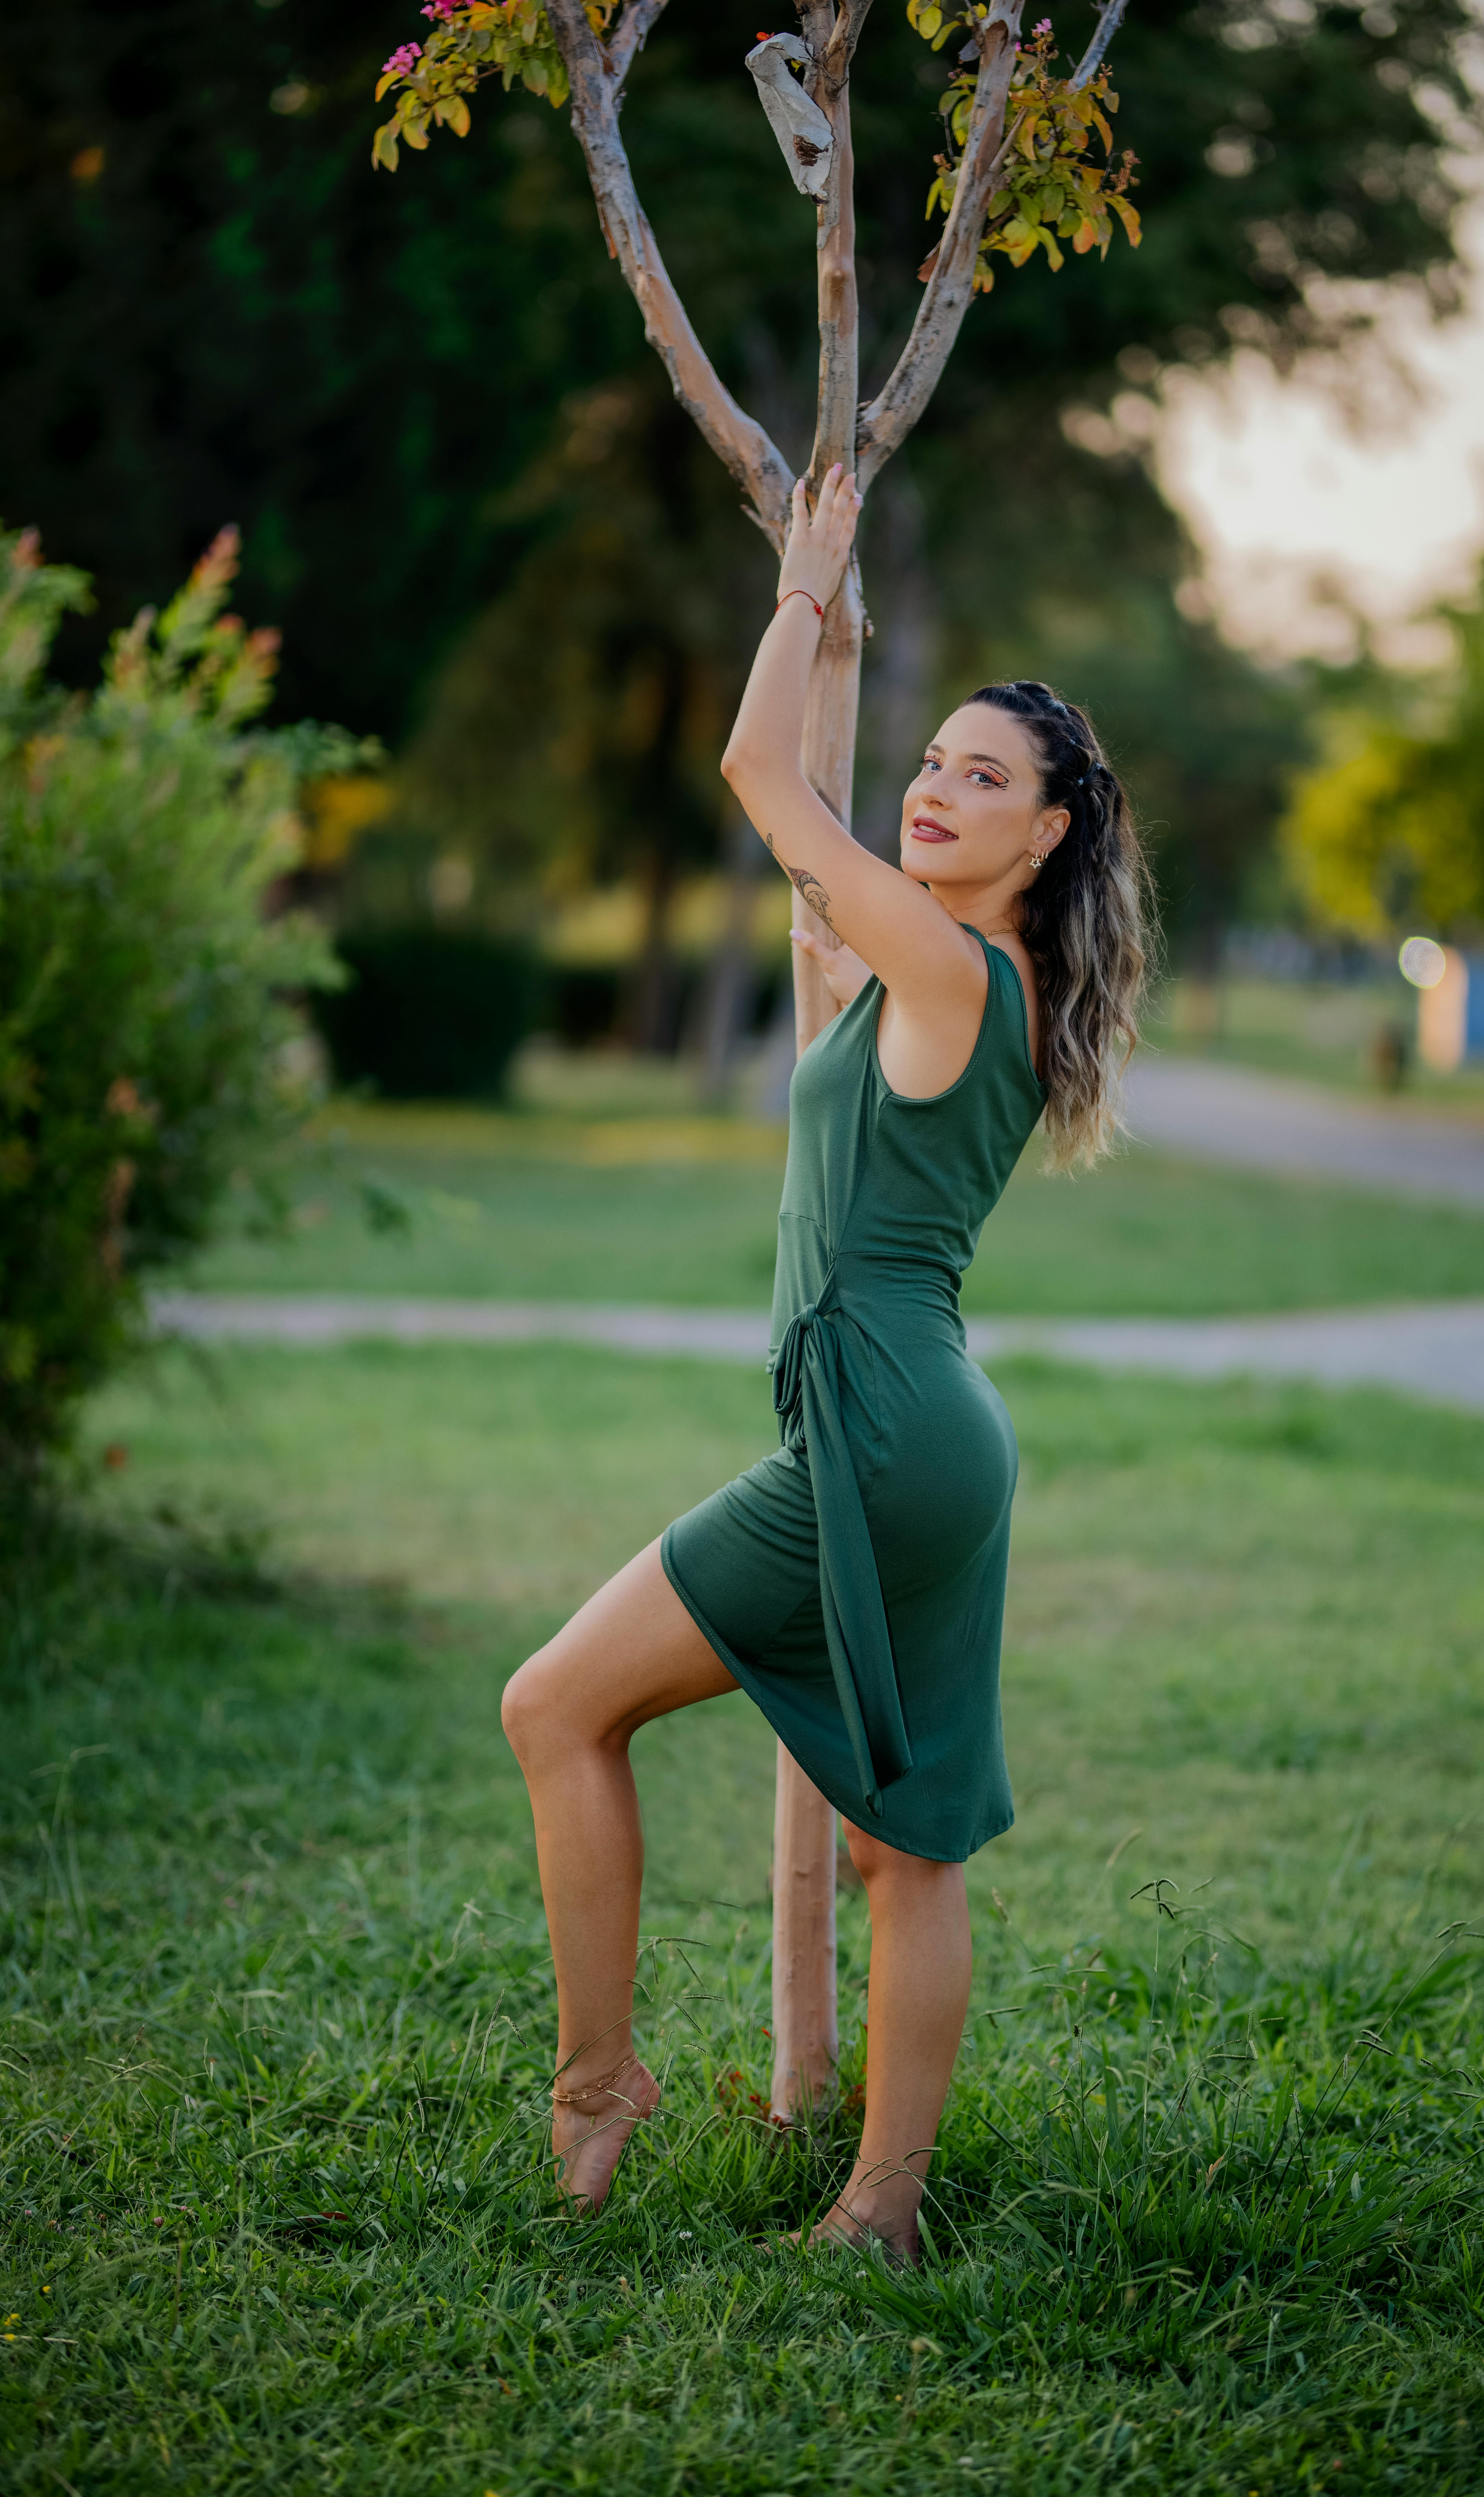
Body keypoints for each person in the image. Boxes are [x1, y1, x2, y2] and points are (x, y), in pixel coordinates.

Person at [500, 464, 1152, 2261]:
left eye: (982, 780)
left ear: (1048, 838)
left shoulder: (950, 969)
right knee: (908, 1851)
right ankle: (877, 2204)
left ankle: (596, 2081)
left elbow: (757, 780)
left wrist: (801, 589)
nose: (937, 791)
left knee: (554, 1706)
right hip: (927, 1431)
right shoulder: (966, 982)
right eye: (932, 762)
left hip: (877, 1437)